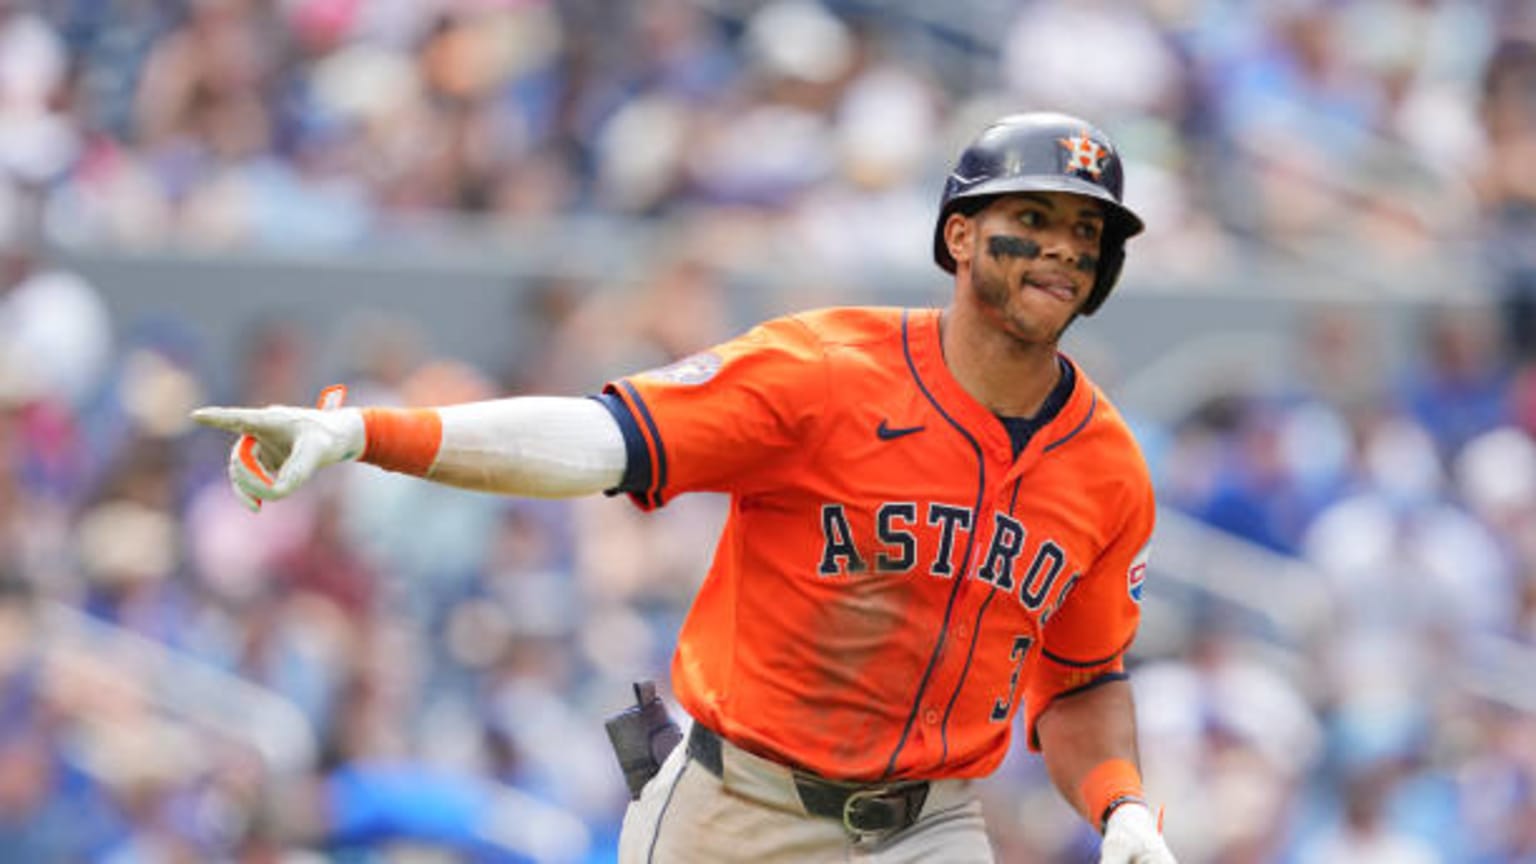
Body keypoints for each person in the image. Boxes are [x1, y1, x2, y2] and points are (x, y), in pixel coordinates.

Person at [194, 112, 1177, 864]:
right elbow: (596, 438)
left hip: (931, 827)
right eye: (1033, 217)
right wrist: (368, 432)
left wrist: (1121, 802)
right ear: (961, 237)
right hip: (736, 809)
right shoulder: (825, 370)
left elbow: (1082, 679)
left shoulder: (1107, 465)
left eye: (1089, 229)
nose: (1063, 245)